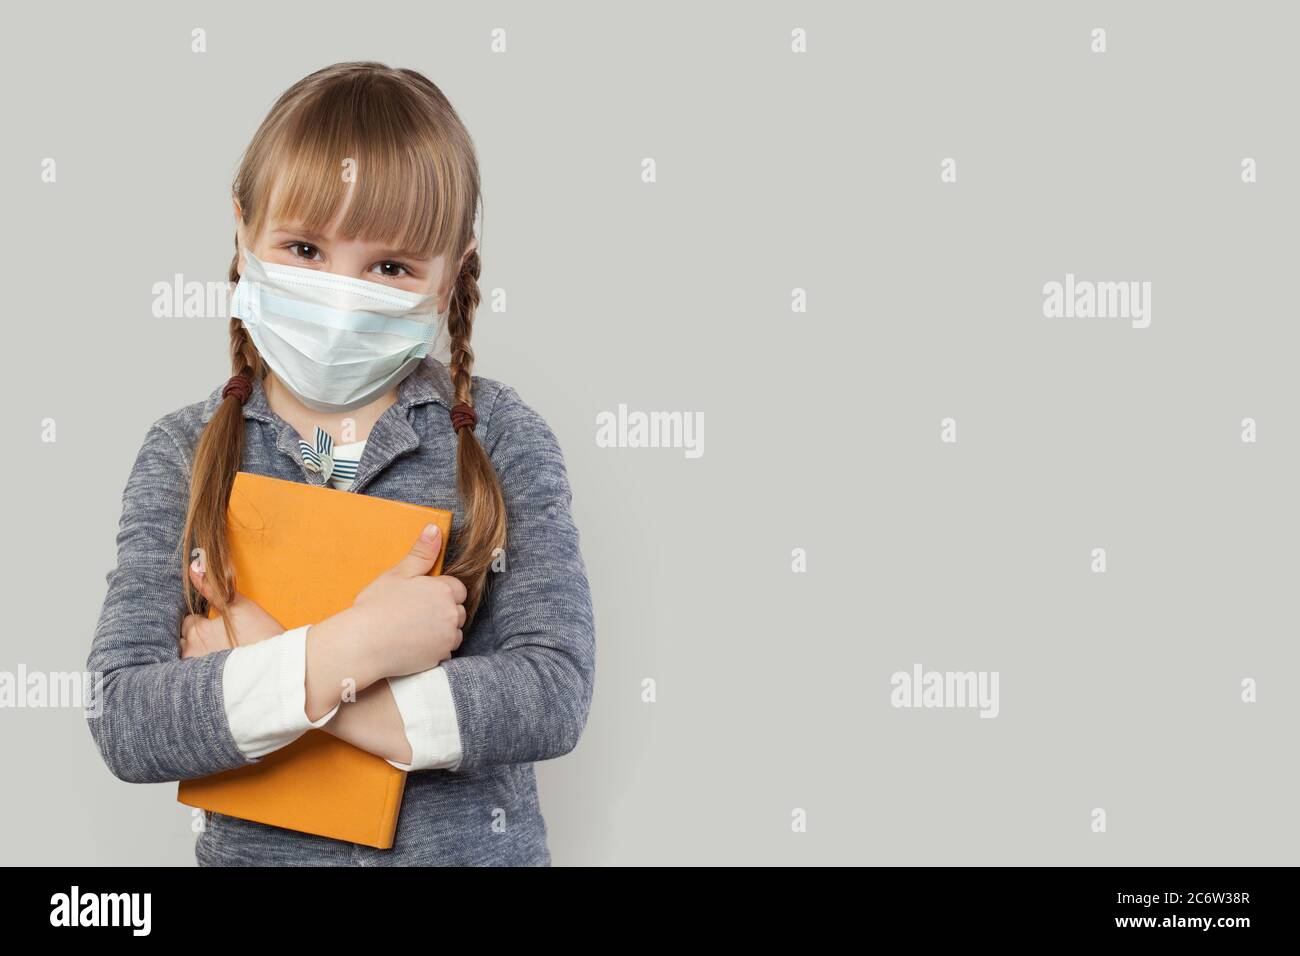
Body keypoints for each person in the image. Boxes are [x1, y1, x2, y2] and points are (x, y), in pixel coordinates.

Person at [85, 61, 595, 866]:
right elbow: (124, 716)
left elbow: (552, 691)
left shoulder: (499, 437)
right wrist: (353, 647)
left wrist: (275, 664)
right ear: (243, 228)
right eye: (304, 248)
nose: (339, 293)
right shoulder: (183, 452)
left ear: (453, 273)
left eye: (390, 267)